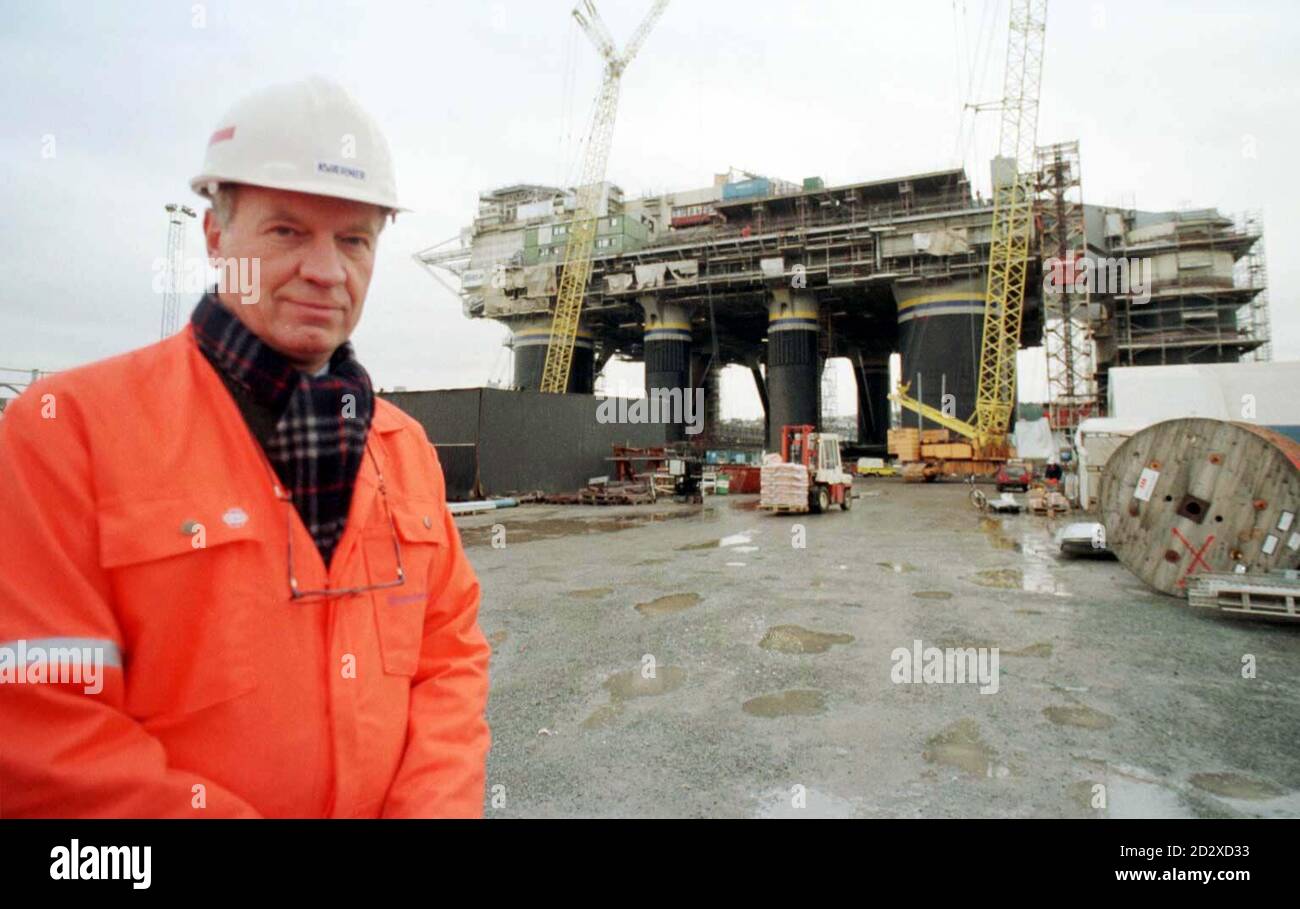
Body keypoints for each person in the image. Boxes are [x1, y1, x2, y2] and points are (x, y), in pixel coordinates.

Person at [0, 77, 490, 818]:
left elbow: (448, 658)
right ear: (215, 237)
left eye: (354, 239)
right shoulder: (65, 434)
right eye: (287, 232)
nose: (326, 271)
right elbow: (40, 725)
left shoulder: (403, 448)